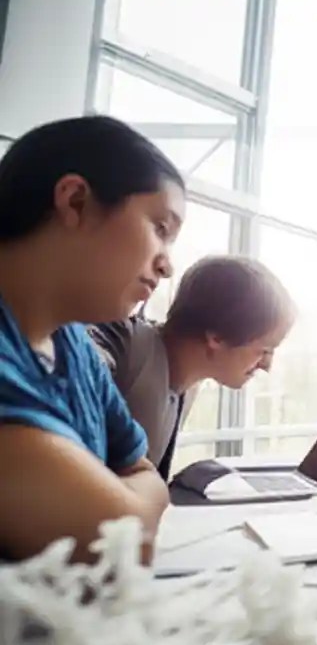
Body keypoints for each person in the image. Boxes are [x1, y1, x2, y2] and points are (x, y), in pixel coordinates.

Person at [0, 116, 185, 563]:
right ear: (76, 201)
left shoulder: (75, 346)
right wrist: (133, 508)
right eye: (160, 228)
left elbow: (142, 470)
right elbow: (117, 549)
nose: (167, 266)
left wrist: (129, 506)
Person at [88, 256, 295, 481]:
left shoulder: (188, 383)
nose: (266, 366)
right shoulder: (123, 344)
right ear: (217, 337)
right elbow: (78, 350)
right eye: (264, 350)